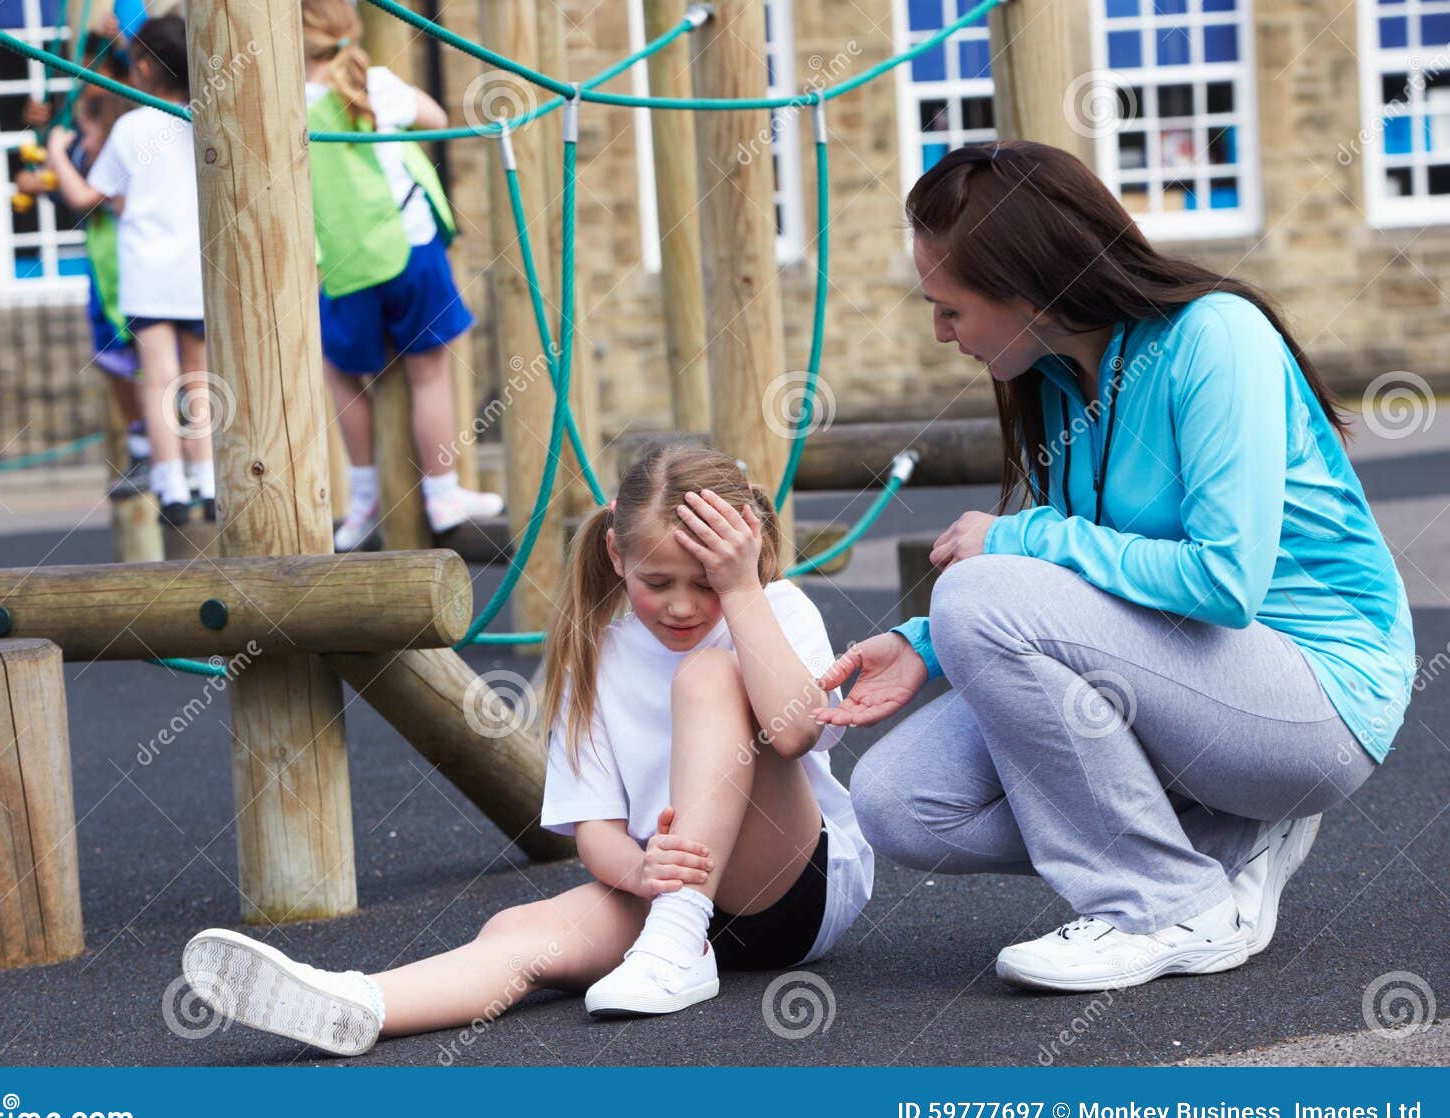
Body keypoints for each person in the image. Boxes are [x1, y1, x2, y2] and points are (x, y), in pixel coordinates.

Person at [821, 140, 1417, 994]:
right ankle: (1222, 841)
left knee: (981, 584)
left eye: (949, 309)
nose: (939, 333)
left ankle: (1165, 901)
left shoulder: (1215, 337)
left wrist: (1017, 542)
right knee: (899, 801)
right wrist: (926, 645)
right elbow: (1079, 593)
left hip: (1317, 695)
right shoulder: (1060, 379)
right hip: (1187, 688)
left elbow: (1223, 580)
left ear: (1024, 289)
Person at [178, 445, 875, 1056]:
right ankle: (358, 1001)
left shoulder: (774, 608)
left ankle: (678, 942)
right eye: (658, 583)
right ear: (615, 555)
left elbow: (793, 733)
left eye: (706, 583)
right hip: (664, 893)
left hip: (785, 890)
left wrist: (743, 586)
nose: (684, 606)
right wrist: (641, 868)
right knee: (519, 930)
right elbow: (596, 831)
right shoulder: (597, 651)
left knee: (708, 676)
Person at [302, 0, 504, 550]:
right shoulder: (376, 81)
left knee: (342, 377)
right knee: (429, 375)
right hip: (412, 244)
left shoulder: (288, 104)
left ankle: (364, 497)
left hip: (347, 261)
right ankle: (442, 492)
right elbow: (437, 120)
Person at [44, 15, 214, 527]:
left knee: (158, 380)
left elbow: (83, 197)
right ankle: (207, 479)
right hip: (197, 271)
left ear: (142, 67)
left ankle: (170, 484)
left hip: (148, 273)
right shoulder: (205, 118)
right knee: (200, 381)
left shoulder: (132, 128)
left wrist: (56, 152)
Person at [19, 44, 150, 498]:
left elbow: (85, 192)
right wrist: (46, 149)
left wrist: (53, 157)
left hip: (132, 256)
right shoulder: (85, 117)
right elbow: (74, 188)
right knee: (113, 354)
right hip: (104, 257)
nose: (85, 80)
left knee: (151, 351)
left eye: (95, 71)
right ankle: (142, 441)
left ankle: (168, 450)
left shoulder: (129, 118)